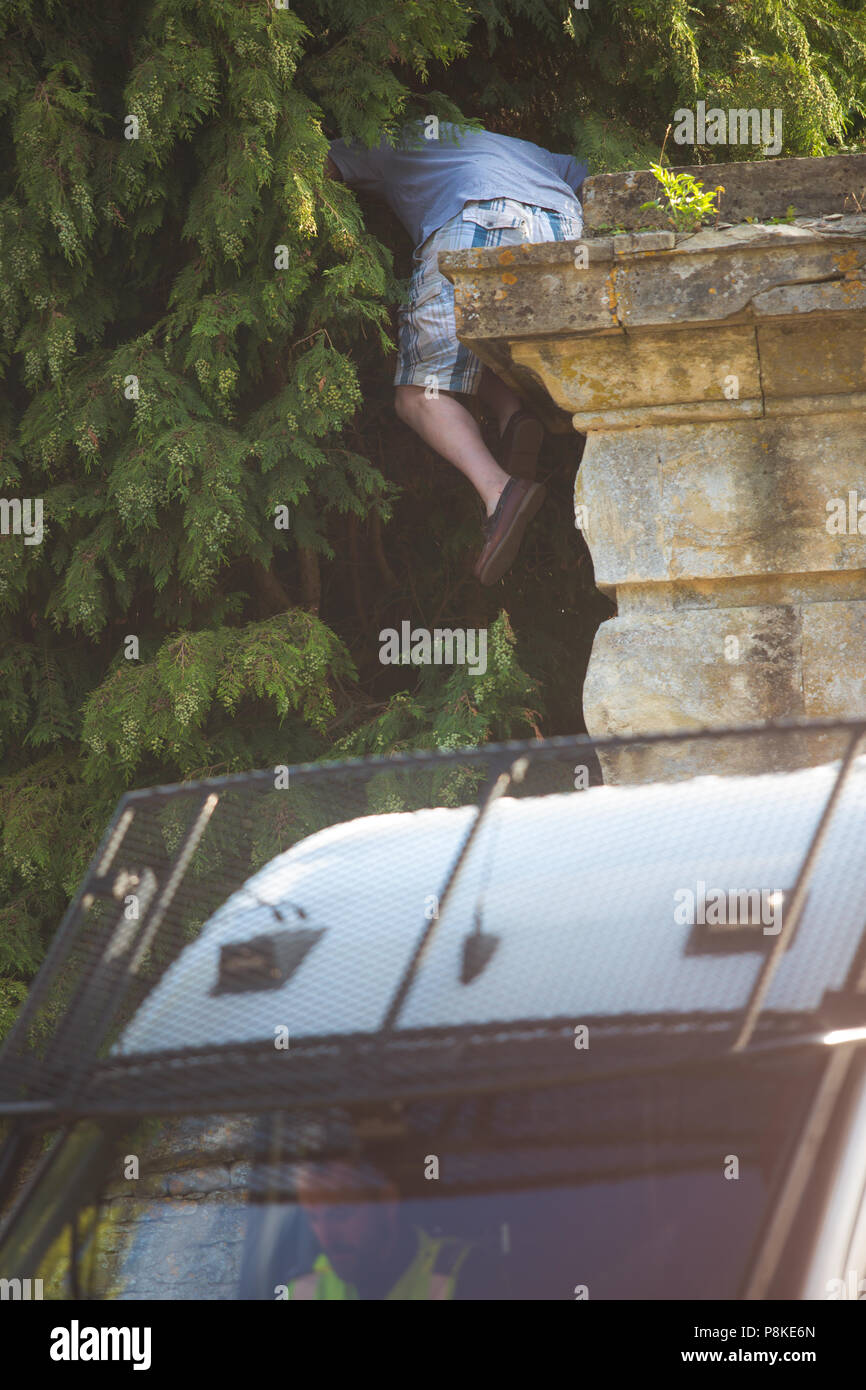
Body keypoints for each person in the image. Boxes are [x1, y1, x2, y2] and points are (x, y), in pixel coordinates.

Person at [326, 119, 587, 584]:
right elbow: (593, 177)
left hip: (478, 218)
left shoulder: (398, 137)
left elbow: (310, 167)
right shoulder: (530, 148)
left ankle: (500, 491)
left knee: (419, 394)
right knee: (480, 344)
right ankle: (515, 416)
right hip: (564, 230)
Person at [286, 1156, 491, 1300]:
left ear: (386, 1201)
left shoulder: (463, 1272)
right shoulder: (303, 1289)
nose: (326, 1238)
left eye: (341, 1215)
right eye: (313, 1218)